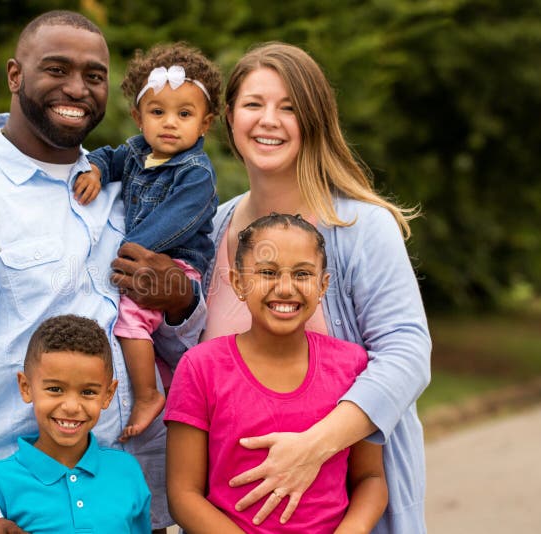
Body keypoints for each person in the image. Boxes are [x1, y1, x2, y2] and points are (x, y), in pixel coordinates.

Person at [0, 11, 204, 534]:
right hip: (21, 511)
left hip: (141, 502)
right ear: (15, 76)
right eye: (56, 69)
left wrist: (181, 306)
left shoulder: (132, 192)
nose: (76, 89)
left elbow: (183, 342)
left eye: (94, 76)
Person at [169, 42, 431, 533]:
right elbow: (194, 371)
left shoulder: (361, 227)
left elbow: (407, 354)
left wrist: (314, 447)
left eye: (289, 108)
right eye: (254, 104)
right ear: (229, 117)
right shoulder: (211, 229)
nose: (270, 120)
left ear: (313, 121)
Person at [165, 213, 388, 533]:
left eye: (302, 274)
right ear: (239, 283)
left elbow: (371, 478)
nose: (285, 288)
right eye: (268, 272)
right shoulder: (201, 368)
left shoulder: (351, 366)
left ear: (323, 285)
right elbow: (183, 495)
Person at [72, 42, 220, 441]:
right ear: (139, 118)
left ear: (205, 124)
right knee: (149, 336)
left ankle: (147, 395)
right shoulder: (137, 152)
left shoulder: (196, 173)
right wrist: (97, 171)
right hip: (143, 259)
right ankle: (167, 387)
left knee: (131, 319)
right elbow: (109, 155)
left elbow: (176, 222)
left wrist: (125, 250)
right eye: (158, 112)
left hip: (174, 261)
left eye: (184, 114)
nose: (170, 123)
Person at [0, 314, 151, 533]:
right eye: (55, 389)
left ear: (108, 395)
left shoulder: (127, 471)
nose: (71, 406)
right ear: (26, 387)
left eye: (88, 392)